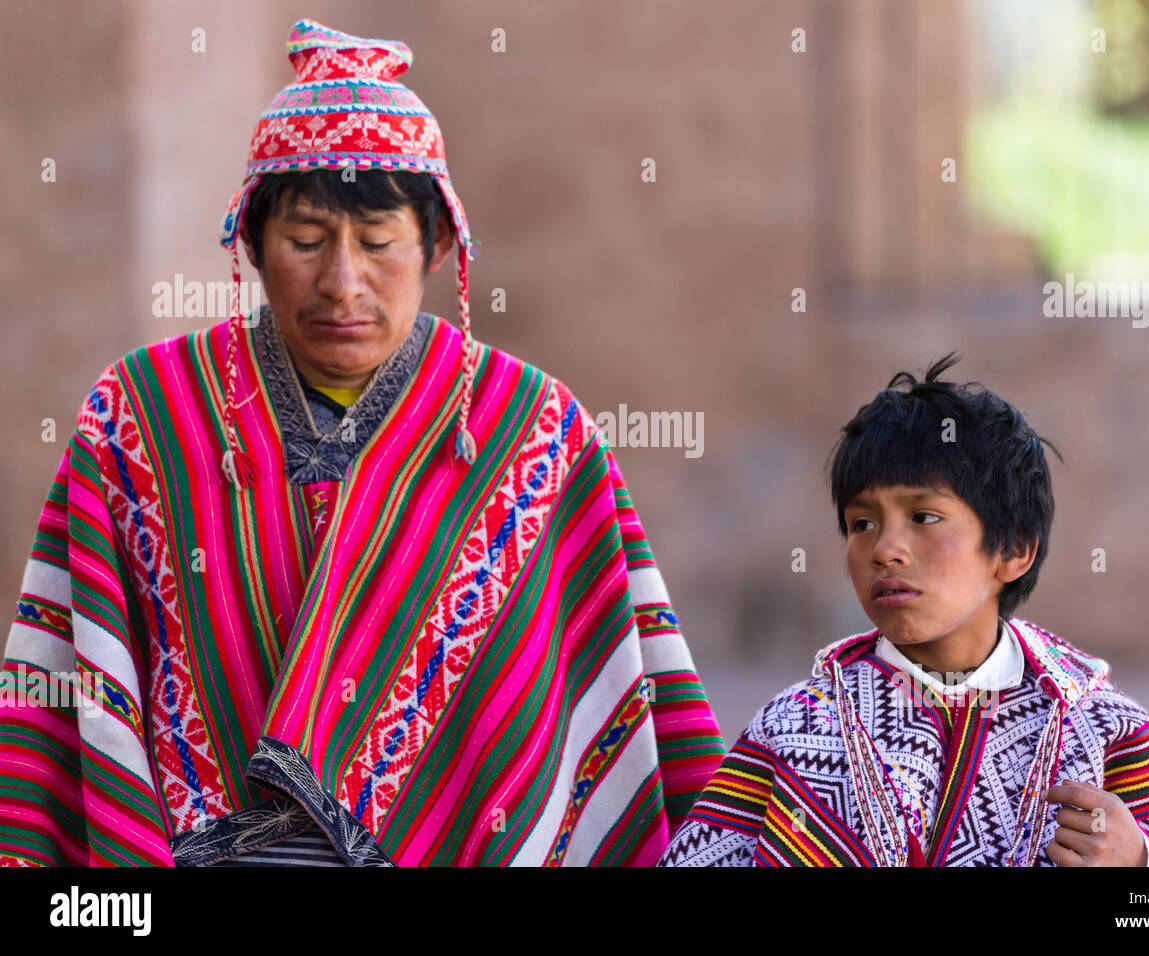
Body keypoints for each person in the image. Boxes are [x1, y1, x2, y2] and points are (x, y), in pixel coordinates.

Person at [0, 19, 724, 867]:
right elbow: (57, 676)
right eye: (306, 242)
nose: (343, 281)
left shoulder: (532, 429)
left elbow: (618, 680)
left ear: (438, 247)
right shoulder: (143, 416)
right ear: (253, 247)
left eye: (378, 243)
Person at [658, 352, 1149, 867]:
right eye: (861, 524)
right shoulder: (795, 731)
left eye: (924, 517)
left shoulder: (1097, 728)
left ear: (1014, 550)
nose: (884, 550)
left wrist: (1139, 861)